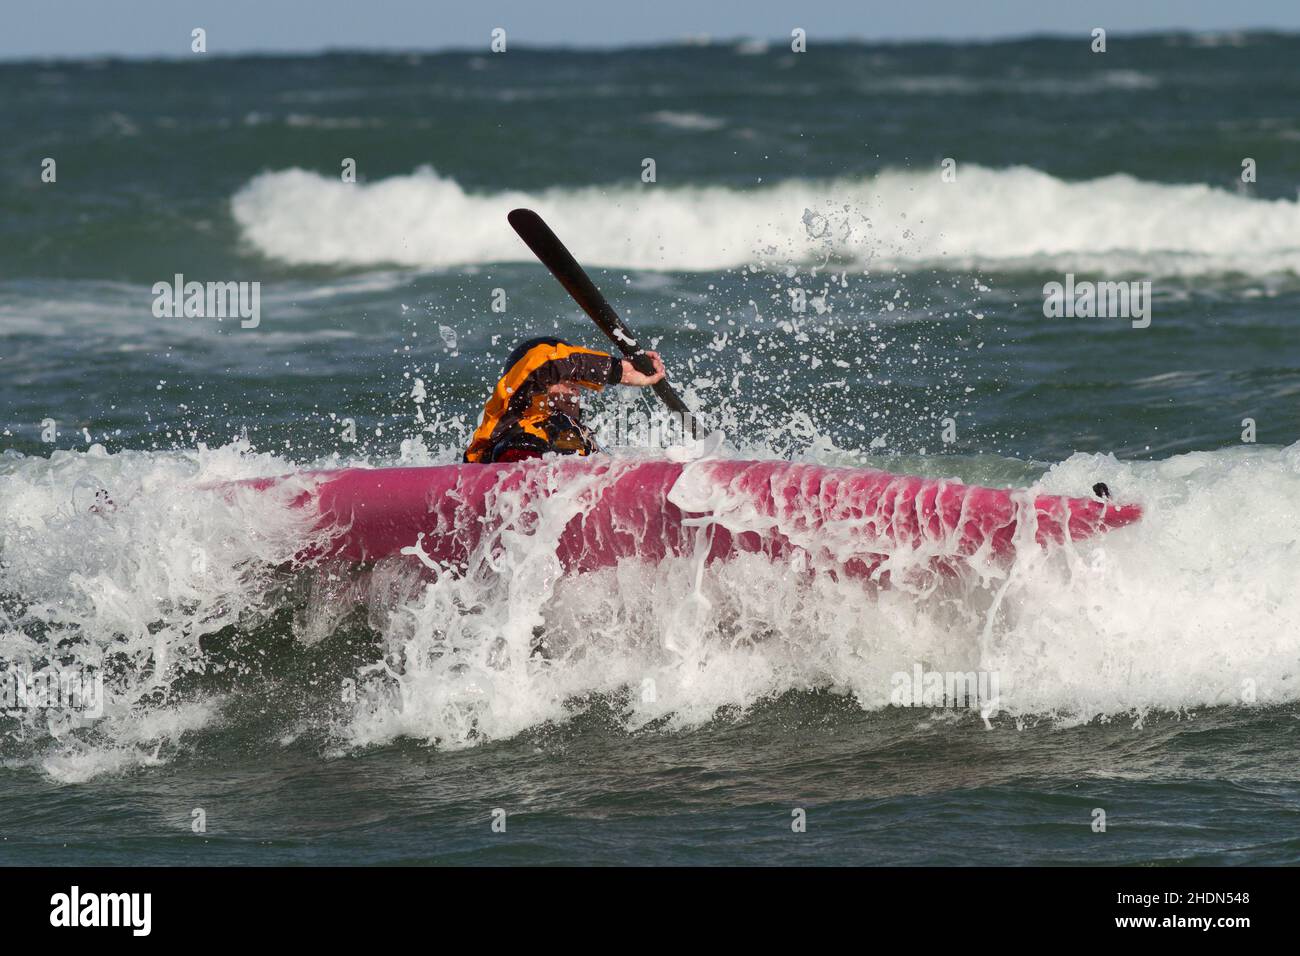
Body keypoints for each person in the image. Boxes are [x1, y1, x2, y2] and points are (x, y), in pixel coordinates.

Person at [463, 336, 666, 463]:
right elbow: (543, 361)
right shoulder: (508, 418)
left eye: (576, 380)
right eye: (563, 377)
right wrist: (618, 370)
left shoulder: (580, 435)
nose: (573, 385)